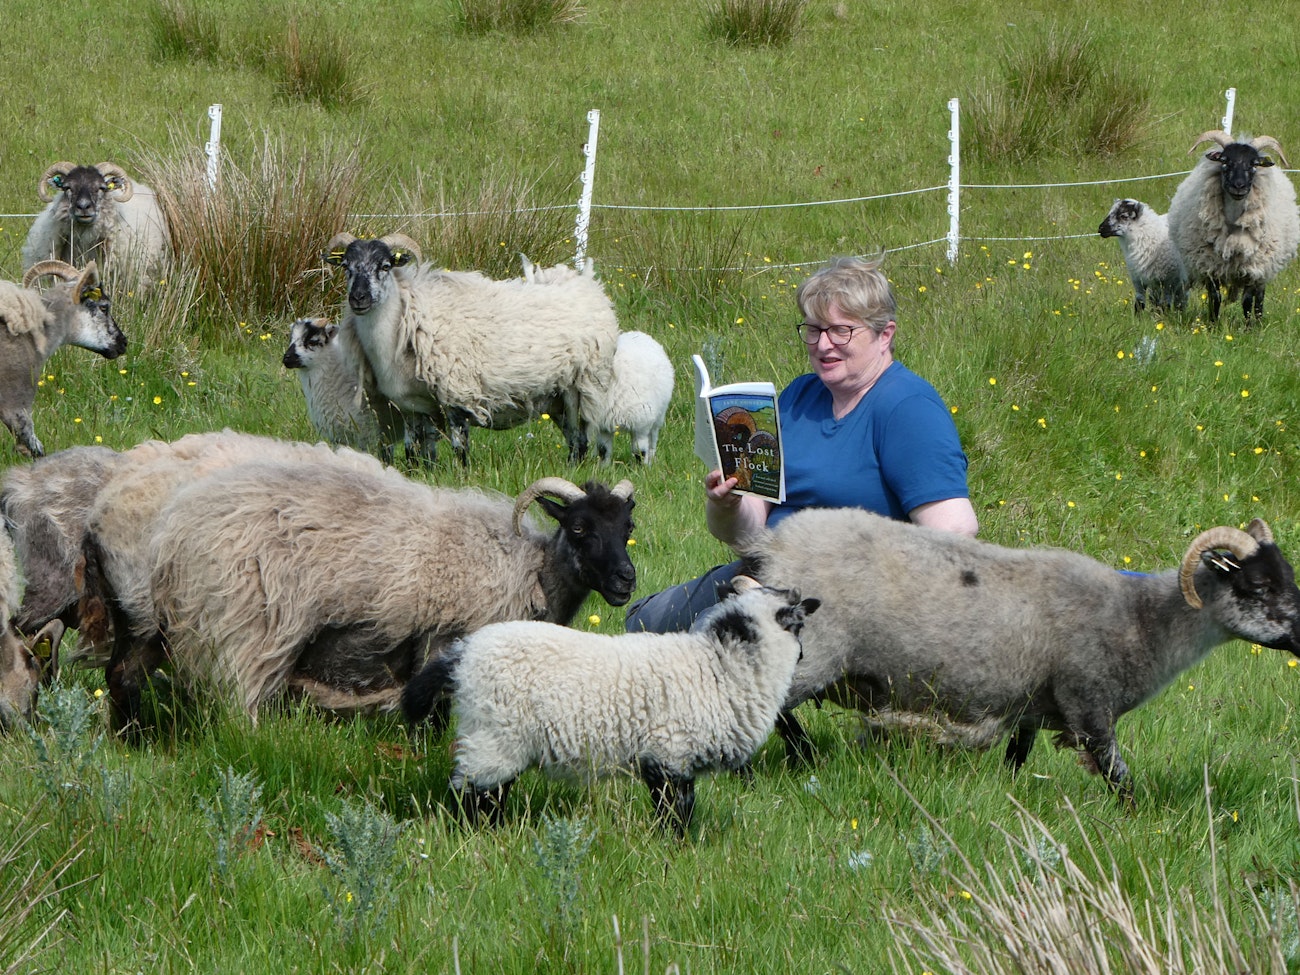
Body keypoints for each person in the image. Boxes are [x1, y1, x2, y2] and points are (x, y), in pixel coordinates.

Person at [625, 253, 978, 633]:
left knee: (706, 658)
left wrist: (850, 590)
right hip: (764, 574)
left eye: (841, 330)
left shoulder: (908, 409)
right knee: (641, 623)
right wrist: (727, 505)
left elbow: (954, 532)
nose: (824, 345)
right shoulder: (798, 397)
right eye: (814, 330)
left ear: (884, 335)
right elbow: (748, 537)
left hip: (841, 601)